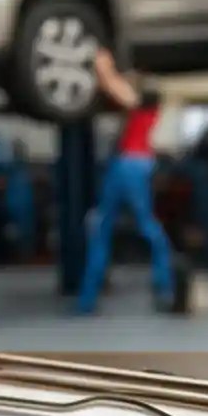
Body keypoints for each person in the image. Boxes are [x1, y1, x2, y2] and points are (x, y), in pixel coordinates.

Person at [76, 48, 175, 314]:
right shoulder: (146, 109)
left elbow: (112, 84)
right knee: (141, 227)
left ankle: (87, 300)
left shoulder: (139, 103)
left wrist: (102, 62)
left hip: (128, 166)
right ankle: (164, 287)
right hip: (136, 165)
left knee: (108, 228)